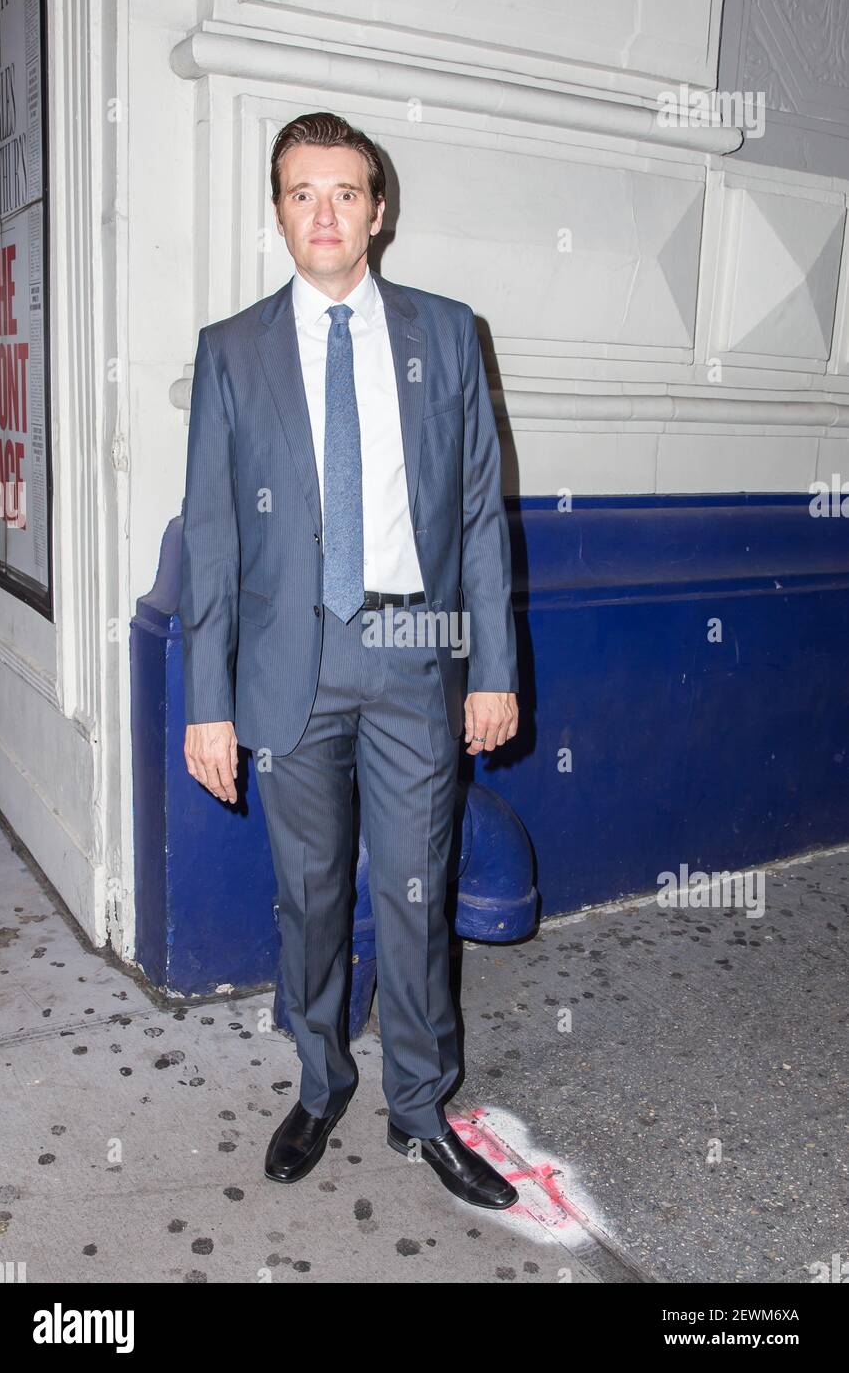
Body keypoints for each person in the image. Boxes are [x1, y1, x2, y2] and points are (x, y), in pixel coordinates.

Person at [179, 111, 519, 1209]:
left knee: (417, 898)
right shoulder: (230, 351)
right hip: (290, 666)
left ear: (377, 208)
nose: (323, 213)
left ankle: (420, 1108)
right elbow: (214, 537)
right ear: (278, 211)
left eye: (344, 192)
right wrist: (206, 703)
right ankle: (319, 1080)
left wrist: (489, 667)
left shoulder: (449, 334)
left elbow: (477, 514)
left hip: (415, 651)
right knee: (310, 898)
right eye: (300, 193)